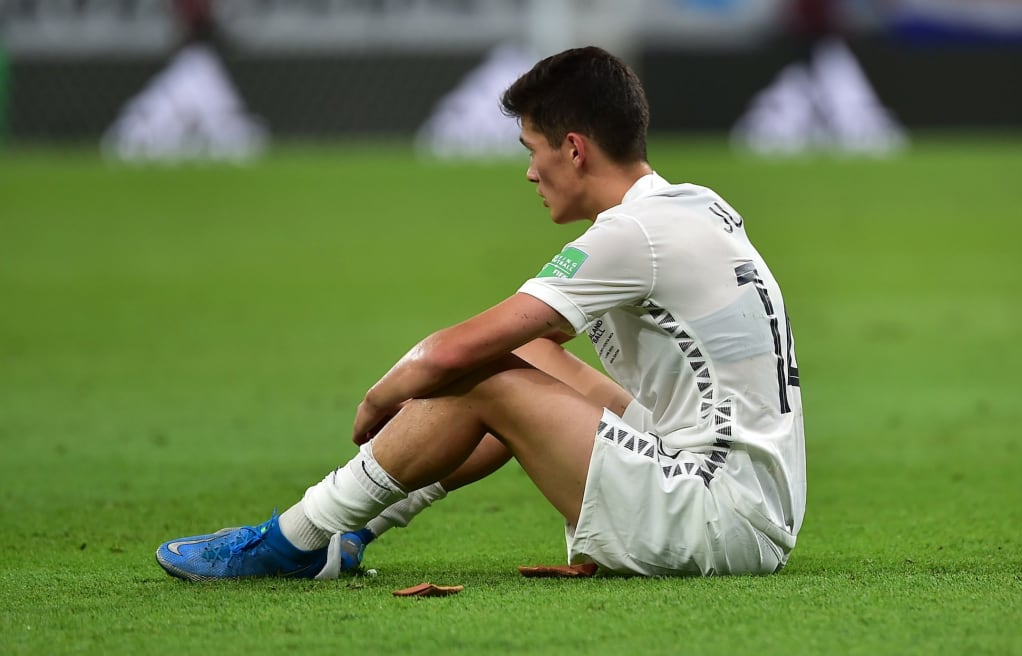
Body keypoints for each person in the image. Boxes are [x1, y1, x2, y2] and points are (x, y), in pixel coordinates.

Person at [156, 46, 806, 580]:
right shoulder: (691, 205)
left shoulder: (632, 235)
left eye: (533, 148)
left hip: (717, 517)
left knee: (482, 375)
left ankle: (294, 539)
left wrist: (381, 398)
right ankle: (349, 533)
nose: (529, 171)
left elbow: (449, 353)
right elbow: (525, 341)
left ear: (574, 149)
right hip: (746, 500)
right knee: (524, 356)